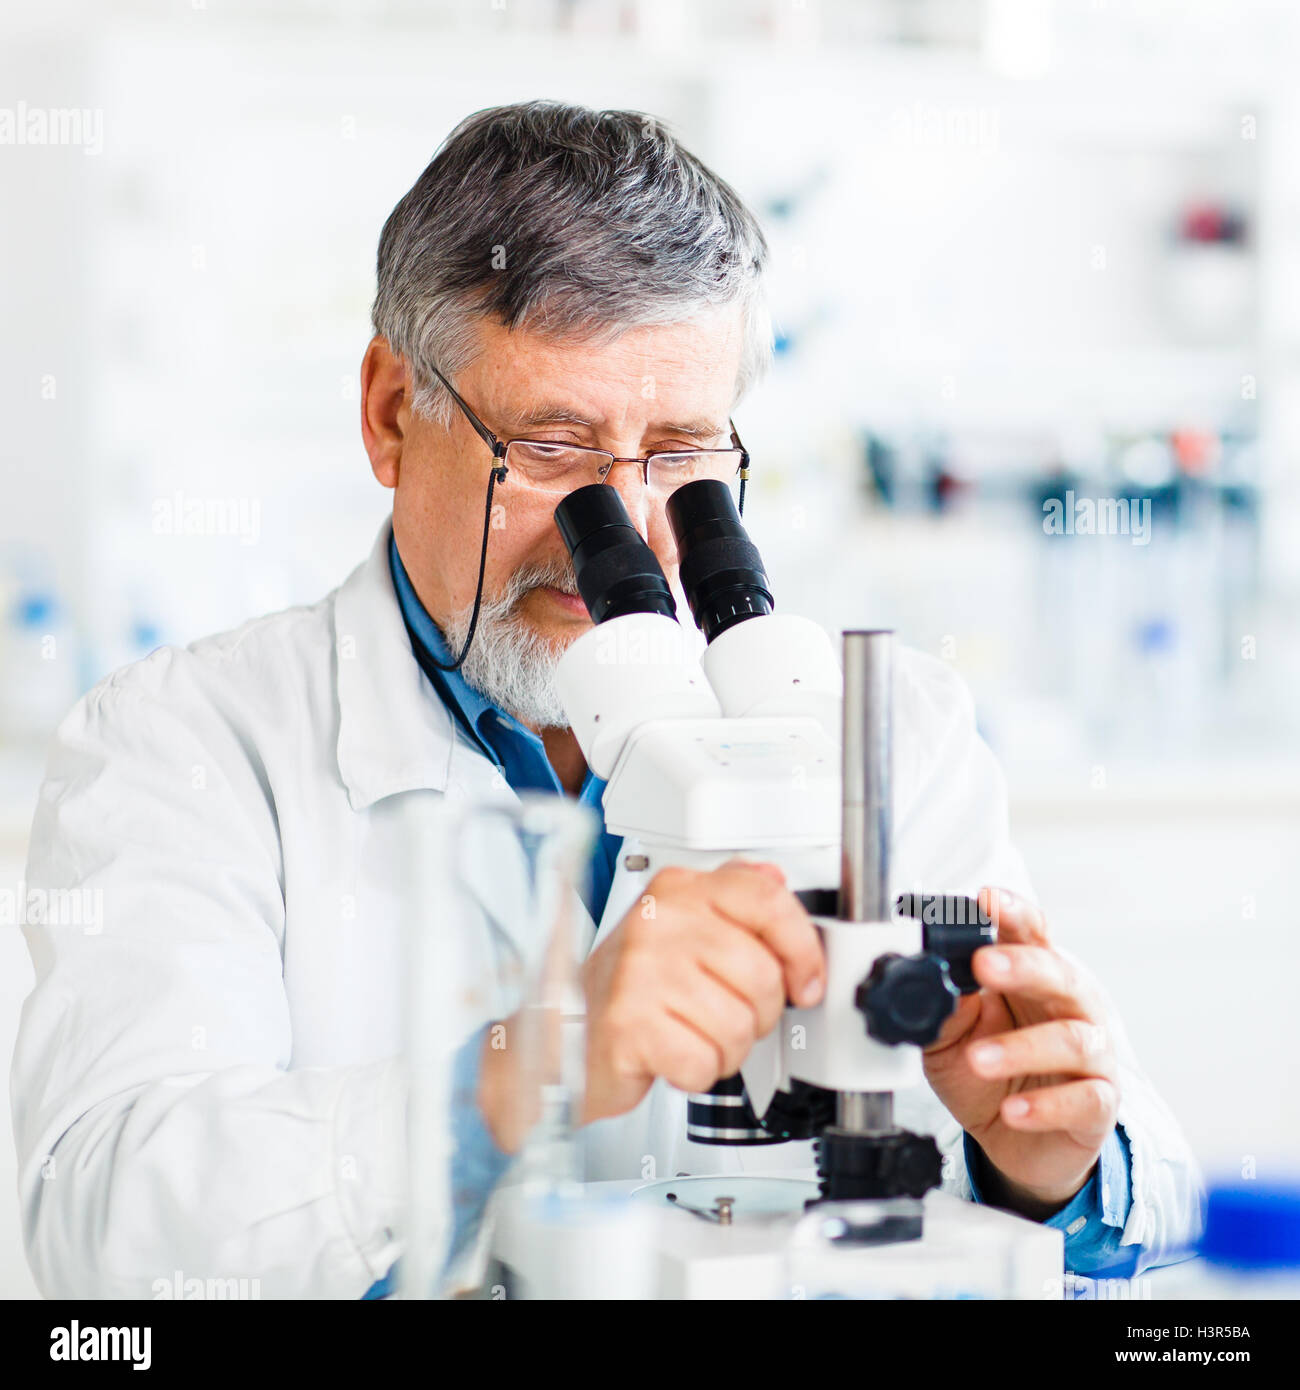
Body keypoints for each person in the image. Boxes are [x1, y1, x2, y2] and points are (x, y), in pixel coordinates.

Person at [12, 101, 1201, 1299]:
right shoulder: (185, 744)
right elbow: (99, 1242)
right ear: (388, 414)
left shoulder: (881, 729)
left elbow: (1153, 1184)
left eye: (681, 451)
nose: (624, 537)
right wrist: (536, 1060)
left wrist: (1046, 1169)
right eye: (551, 447)